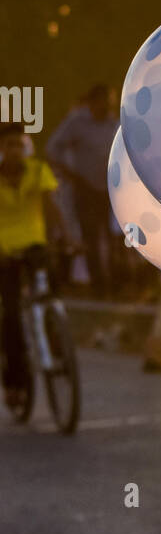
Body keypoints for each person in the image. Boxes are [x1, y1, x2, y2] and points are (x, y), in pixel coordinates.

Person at [0, 124, 71, 408]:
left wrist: (67, 238)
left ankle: (55, 336)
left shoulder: (38, 170)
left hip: (34, 246)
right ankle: (15, 380)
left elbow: (52, 207)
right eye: (9, 145)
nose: (15, 150)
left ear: (25, 146)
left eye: (19, 144)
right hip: (3, 252)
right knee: (11, 316)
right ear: (2, 149)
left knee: (51, 288)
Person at [47, 85, 119, 297]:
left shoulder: (115, 123)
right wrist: (70, 174)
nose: (109, 105)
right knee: (91, 237)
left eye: (112, 101)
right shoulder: (77, 123)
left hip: (112, 188)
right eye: (105, 101)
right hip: (85, 188)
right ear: (94, 102)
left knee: (114, 237)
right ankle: (99, 285)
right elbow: (53, 148)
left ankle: (117, 282)